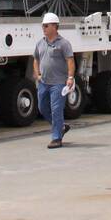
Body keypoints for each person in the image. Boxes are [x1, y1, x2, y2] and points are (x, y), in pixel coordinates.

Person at [33, 12, 76, 149]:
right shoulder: (40, 43)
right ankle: (61, 127)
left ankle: (56, 138)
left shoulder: (64, 44)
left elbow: (70, 61)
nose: (43, 28)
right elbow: (36, 59)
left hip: (58, 83)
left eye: (46, 26)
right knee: (42, 108)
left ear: (54, 26)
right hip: (44, 82)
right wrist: (37, 74)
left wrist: (70, 77)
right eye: (43, 26)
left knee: (56, 109)